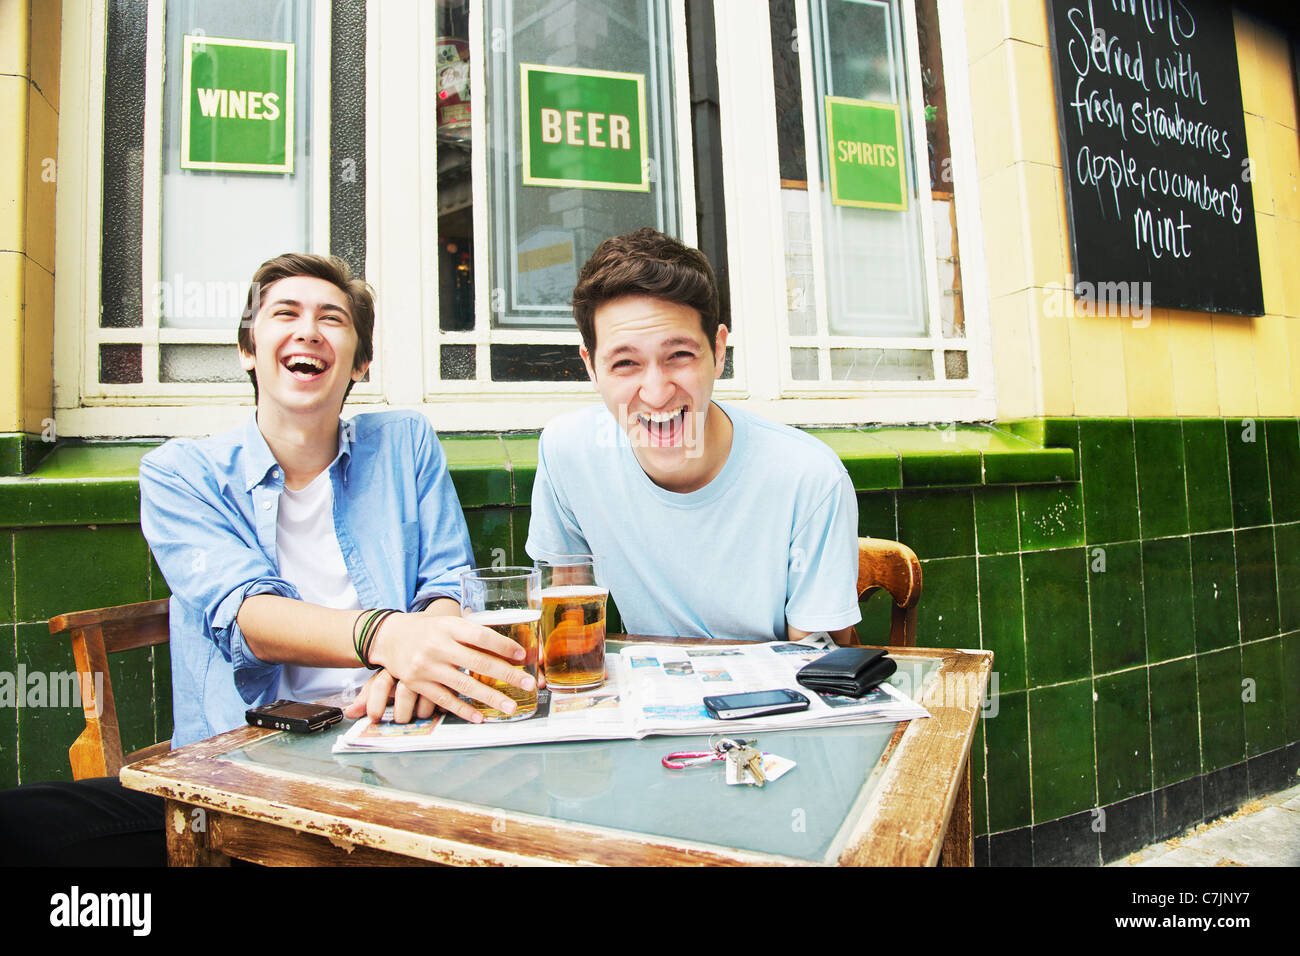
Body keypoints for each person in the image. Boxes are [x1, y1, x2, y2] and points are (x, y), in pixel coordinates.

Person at [0, 253, 529, 864]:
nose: (308, 329)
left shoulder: (404, 444)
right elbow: (246, 614)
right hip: (240, 771)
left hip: (399, 745)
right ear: (249, 349)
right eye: (285, 313)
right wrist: (387, 638)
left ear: (359, 362)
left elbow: (446, 584)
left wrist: (414, 660)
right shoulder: (180, 474)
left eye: (333, 318)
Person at [526, 228, 861, 643]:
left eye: (679, 355)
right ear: (591, 367)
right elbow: (568, 625)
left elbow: (819, 670)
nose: (656, 391)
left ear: (719, 351)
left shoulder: (808, 477)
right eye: (625, 363)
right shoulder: (568, 452)